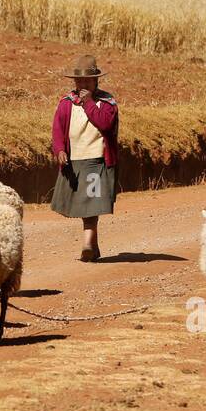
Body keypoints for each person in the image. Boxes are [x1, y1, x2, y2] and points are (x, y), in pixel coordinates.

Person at [50, 54, 119, 261]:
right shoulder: (66, 103)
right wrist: (60, 150)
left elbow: (105, 124)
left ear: (96, 81)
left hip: (96, 160)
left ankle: (87, 244)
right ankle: (94, 246)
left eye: (87, 81)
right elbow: (57, 129)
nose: (82, 85)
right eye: (79, 81)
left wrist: (88, 102)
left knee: (91, 204)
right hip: (74, 161)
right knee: (83, 205)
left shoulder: (106, 103)